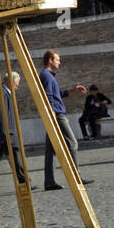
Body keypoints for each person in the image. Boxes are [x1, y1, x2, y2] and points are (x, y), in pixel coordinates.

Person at [39, 50, 91, 191]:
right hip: (57, 115)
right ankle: (76, 177)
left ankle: (49, 182)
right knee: (72, 143)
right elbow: (49, 97)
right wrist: (53, 115)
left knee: (50, 151)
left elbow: (56, 94)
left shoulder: (47, 76)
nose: (59, 62)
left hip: (53, 114)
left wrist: (72, 90)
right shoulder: (47, 76)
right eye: (57, 59)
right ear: (50, 60)